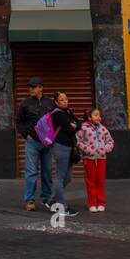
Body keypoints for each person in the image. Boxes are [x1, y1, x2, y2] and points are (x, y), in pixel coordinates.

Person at [16, 76, 55, 212]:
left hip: (48, 143)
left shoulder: (50, 103)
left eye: (33, 87)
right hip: (32, 142)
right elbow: (19, 121)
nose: (30, 89)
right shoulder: (25, 103)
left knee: (47, 171)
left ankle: (47, 198)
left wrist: (54, 135)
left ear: (41, 88)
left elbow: (56, 119)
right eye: (30, 87)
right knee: (31, 172)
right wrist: (25, 135)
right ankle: (30, 200)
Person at [48, 91, 80, 217]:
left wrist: (74, 125)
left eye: (66, 98)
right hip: (60, 147)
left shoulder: (68, 112)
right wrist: (72, 126)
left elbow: (79, 124)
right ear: (56, 102)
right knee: (61, 177)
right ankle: (62, 207)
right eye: (62, 99)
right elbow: (68, 129)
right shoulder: (57, 114)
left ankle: (52, 200)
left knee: (68, 177)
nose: (65, 101)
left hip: (70, 147)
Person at [77, 107, 115, 212]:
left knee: (101, 181)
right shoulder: (83, 128)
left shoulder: (103, 129)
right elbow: (78, 141)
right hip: (89, 158)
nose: (99, 117)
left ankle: (101, 202)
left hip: (102, 158)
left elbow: (110, 142)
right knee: (91, 182)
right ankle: (92, 203)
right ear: (89, 117)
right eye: (96, 115)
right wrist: (88, 150)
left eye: (99, 115)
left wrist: (105, 149)